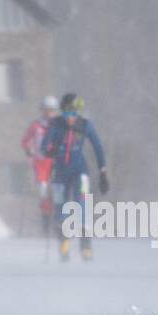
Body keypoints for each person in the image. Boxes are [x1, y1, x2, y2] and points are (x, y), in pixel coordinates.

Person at [42, 92, 108, 261]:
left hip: (80, 171)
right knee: (60, 208)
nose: (69, 118)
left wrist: (103, 172)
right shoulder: (55, 124)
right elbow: (44, 146)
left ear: (77, 112)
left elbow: (98, 147)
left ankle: (85, 246)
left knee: (83, 204)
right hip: (60, 173)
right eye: (65, 113)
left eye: (72, 114)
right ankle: (63, 243)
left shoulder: (85, 125)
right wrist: (51, 150)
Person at [20, 95, 58, 237]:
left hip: (54, 163)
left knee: (56, 192)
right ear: (42, 111)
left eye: (52, 110)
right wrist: (28, 150)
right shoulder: (36, 125)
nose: (49, 113)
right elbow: (25, 140)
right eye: (47, 110)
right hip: (40, 163)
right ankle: (45, 223)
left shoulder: (58, 125)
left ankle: (57, 221)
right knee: (43, 193)